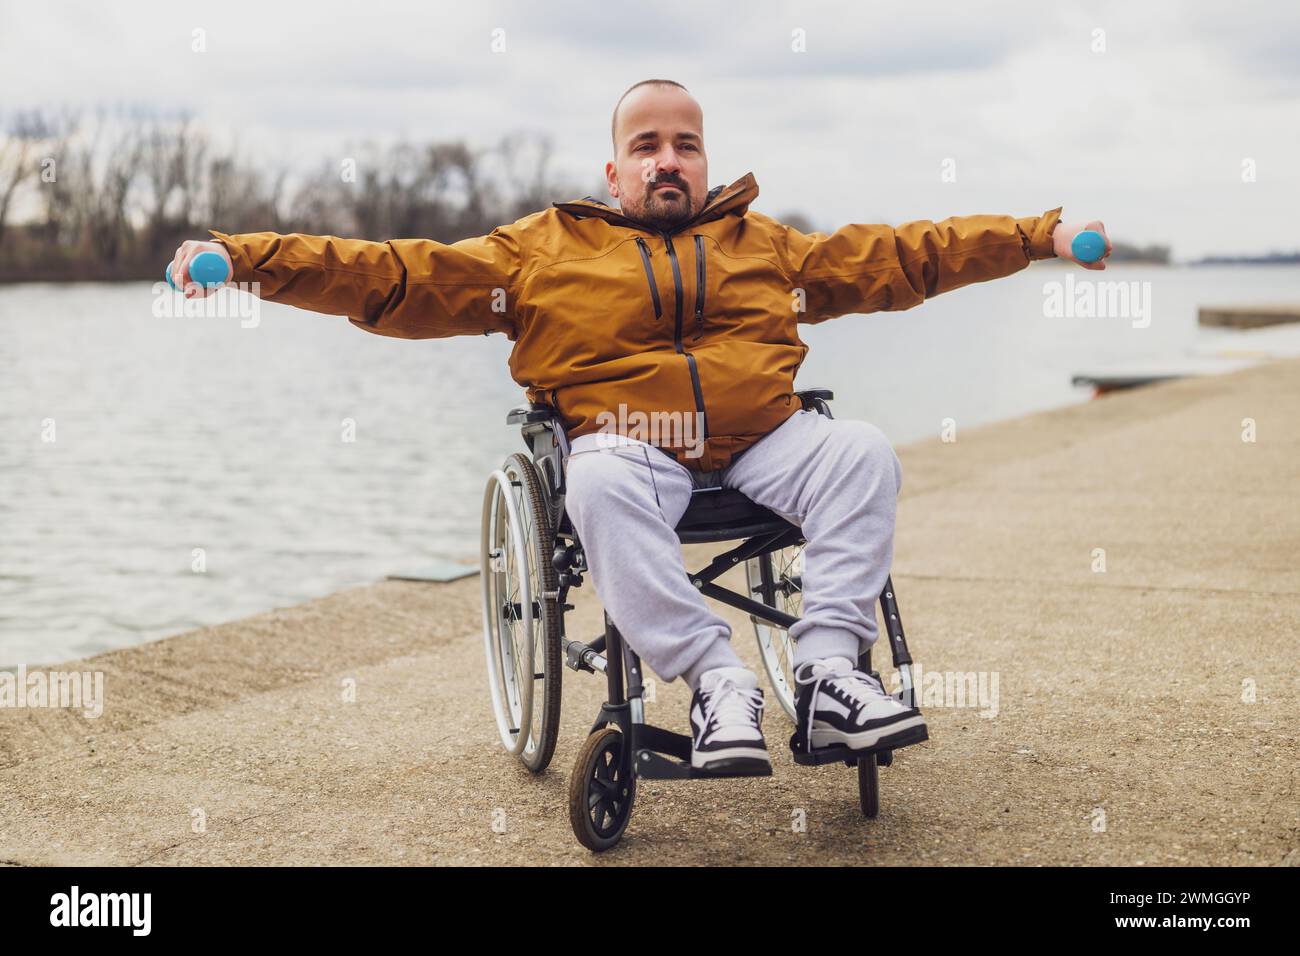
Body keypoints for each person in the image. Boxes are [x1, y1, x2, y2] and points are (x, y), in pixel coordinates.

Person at [169, 78, 1111, 775]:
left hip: (762, 439)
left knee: (861, 451)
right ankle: (715, 681)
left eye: (687, 145)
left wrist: (1038, 235)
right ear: (613, 169)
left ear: (705, 162)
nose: (670, 159)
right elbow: (391, 275)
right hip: (629, 443)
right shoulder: (538, 251)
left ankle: (827, 672)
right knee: (600, 476)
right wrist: (242, 259)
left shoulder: (765, 246)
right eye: (649, 145)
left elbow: (907, 255)